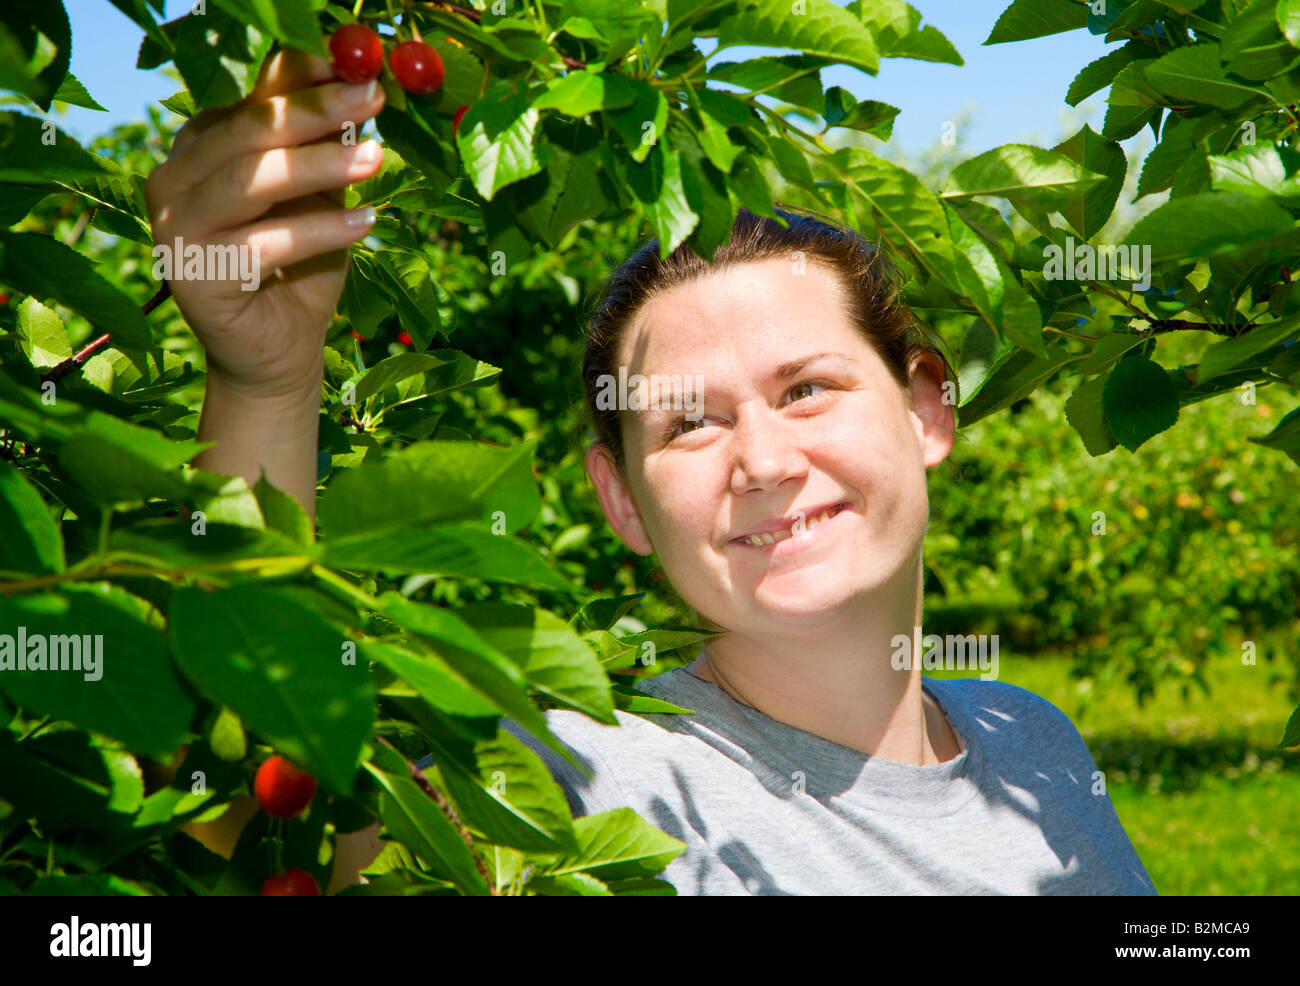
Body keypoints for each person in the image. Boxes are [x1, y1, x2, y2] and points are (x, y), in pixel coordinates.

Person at [147, 47, 1157, 896]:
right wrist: (266, 393)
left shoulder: (1032, 741)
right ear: (621, 499)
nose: (762, 459)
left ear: (925, 408)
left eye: (805, 388)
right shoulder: (575, 777)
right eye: (688, 423)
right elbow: (257, 829)